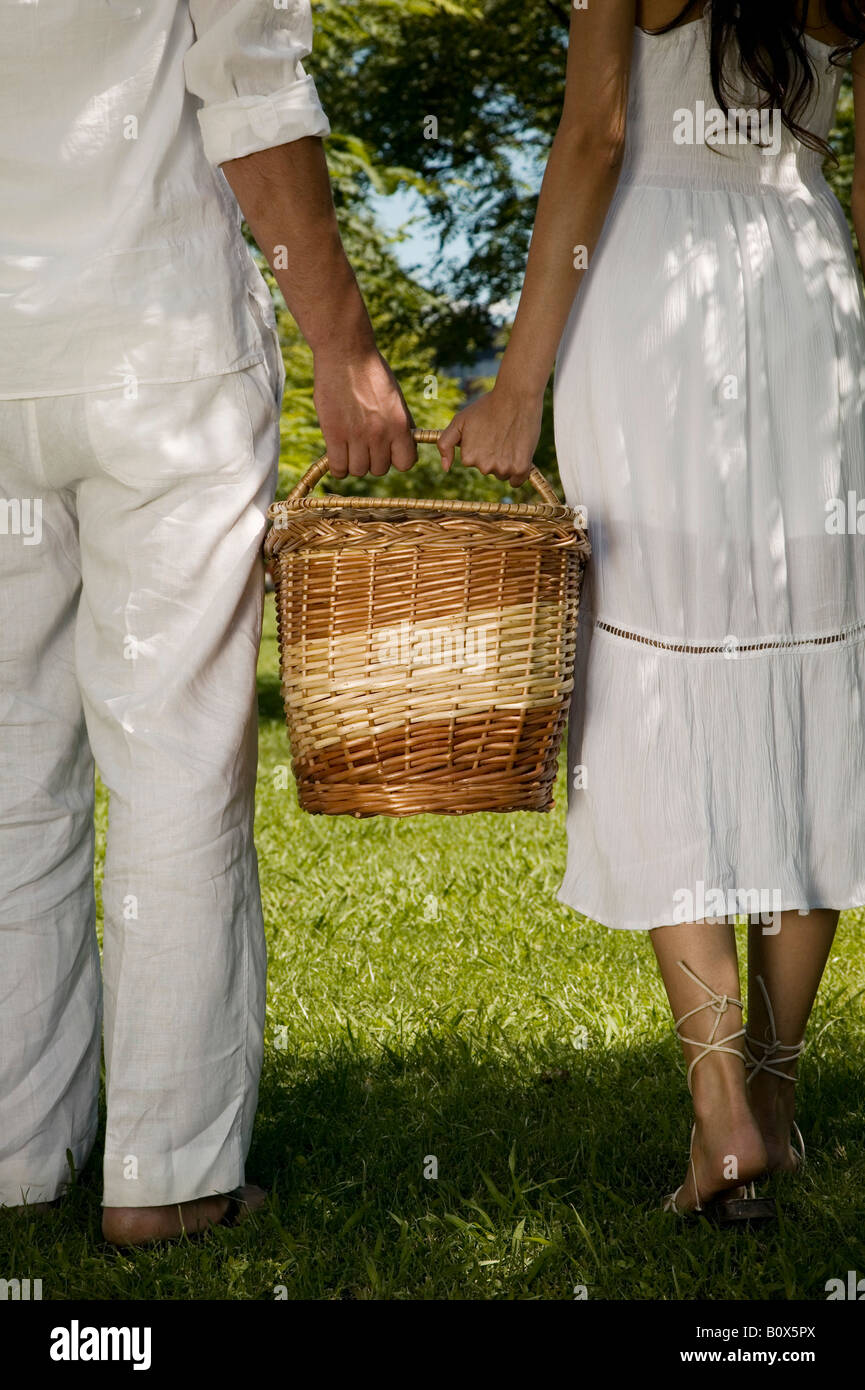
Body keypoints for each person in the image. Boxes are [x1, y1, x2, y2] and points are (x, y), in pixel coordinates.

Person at [440, 0, 865, 1217]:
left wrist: (518, 380)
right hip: (804, 281)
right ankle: (771, 1104)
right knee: (808, 667)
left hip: (651, 283)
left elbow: (594, 135)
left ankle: (724, 1114)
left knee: (658, 670)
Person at [0, 0, 415, 1246]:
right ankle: (169, 1173)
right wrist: (343, 347)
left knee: (12, 772)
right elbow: (251, 91)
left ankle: (18, 1151)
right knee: (176, 758)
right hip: (157, 341)